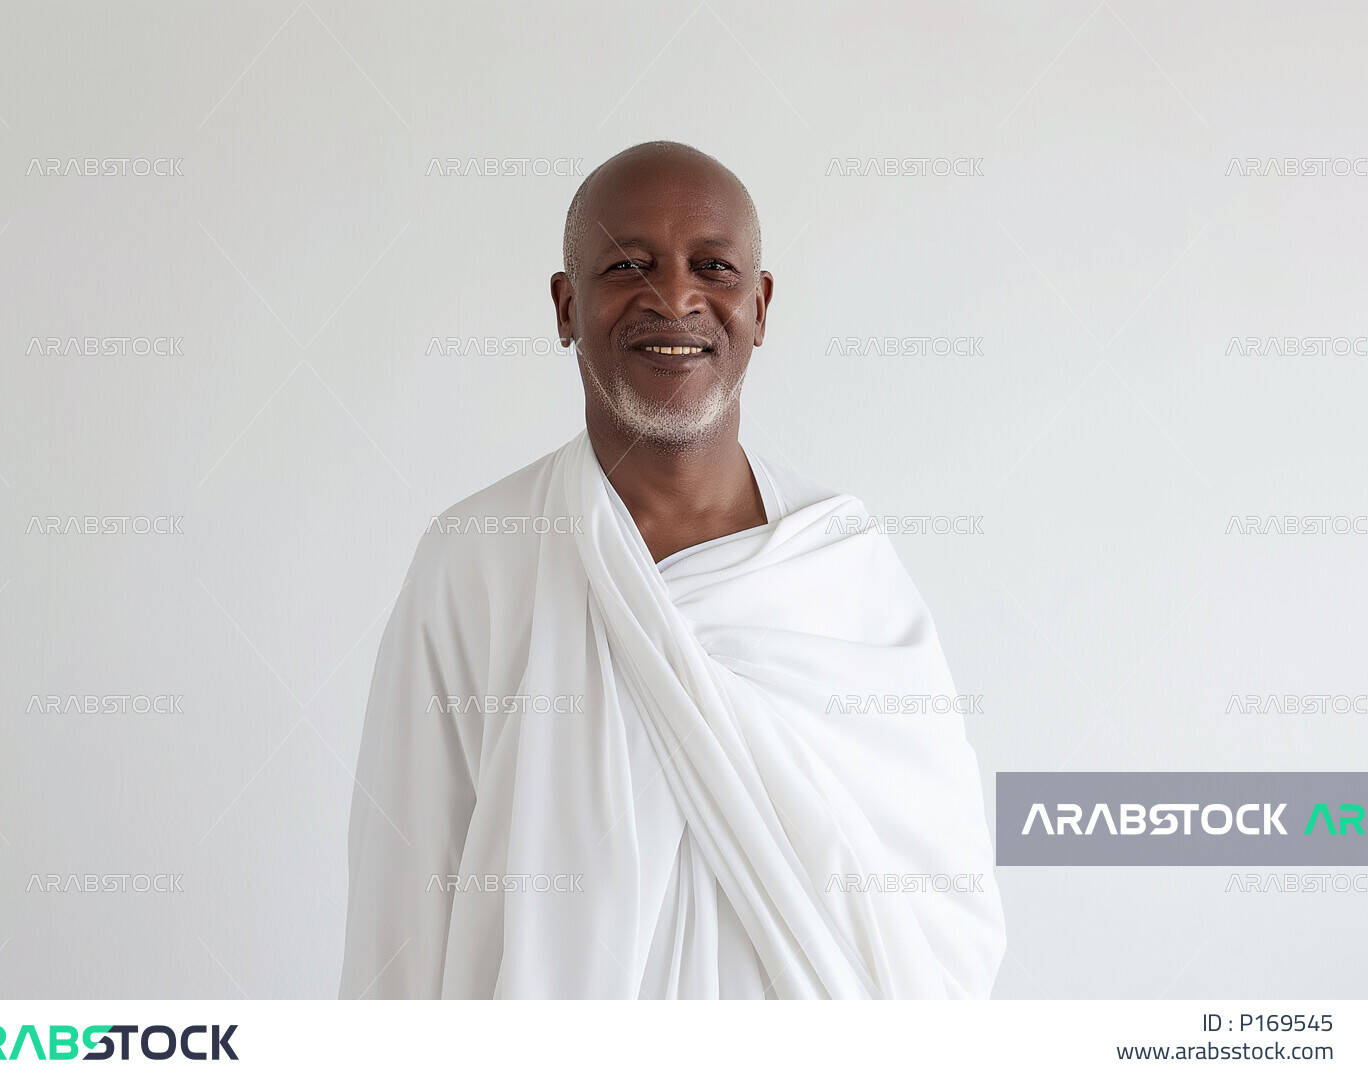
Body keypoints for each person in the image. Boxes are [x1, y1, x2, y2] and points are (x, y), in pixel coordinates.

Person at [339, 141, 1005, 998]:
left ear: (760, 307)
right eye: (628, 265)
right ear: (565, 304)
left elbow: (942, 899)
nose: (675, 298)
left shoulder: (841, 567)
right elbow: (405, 895)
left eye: (713, 267)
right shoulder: (475, 558)